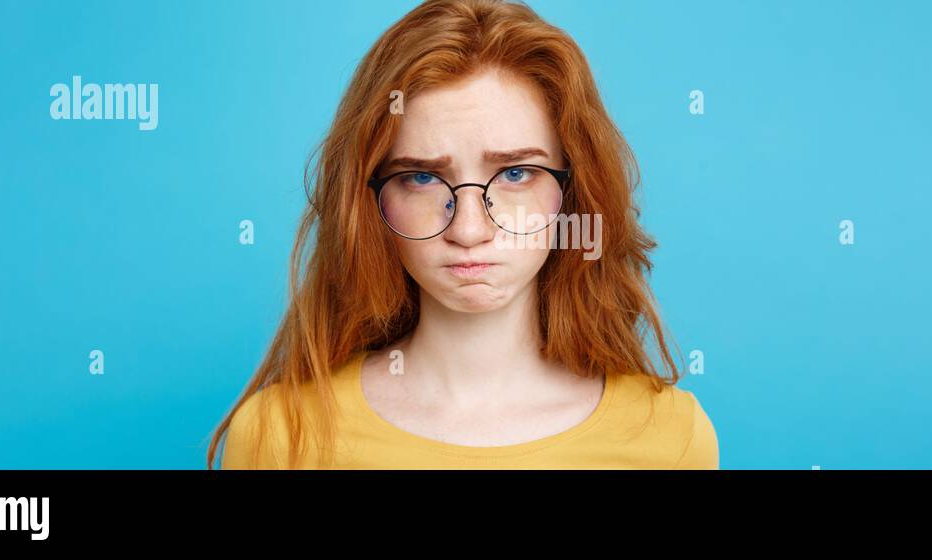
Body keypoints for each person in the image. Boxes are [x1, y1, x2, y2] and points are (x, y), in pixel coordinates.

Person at [208, 0, 717, 469]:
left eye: (516, 173)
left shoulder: (670, 438)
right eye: (422, 178)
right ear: (369, 201)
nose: (469, 229)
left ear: (575, 191)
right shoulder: (279, 435)